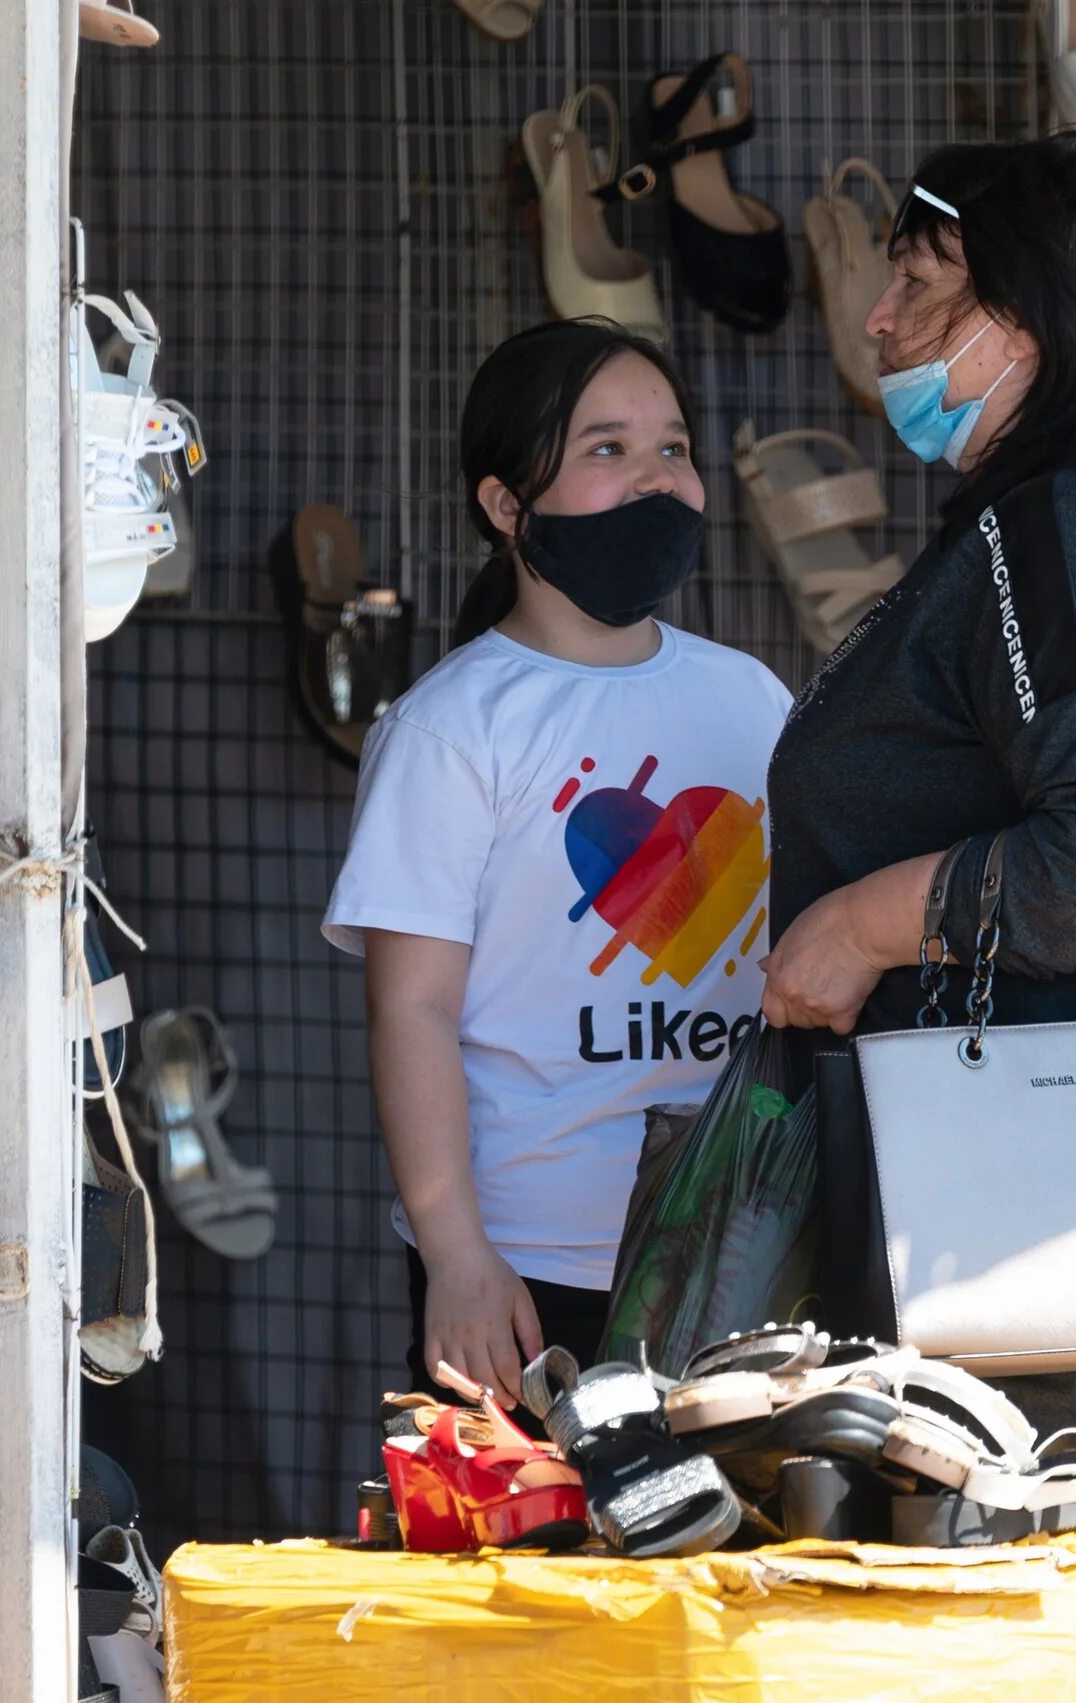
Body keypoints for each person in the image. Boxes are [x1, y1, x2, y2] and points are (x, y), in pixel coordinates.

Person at [758, 132, 1076, 1702]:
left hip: (1011, 1205)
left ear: (1033, 317)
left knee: (981, 1631)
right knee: (1068, 1620)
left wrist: (856, 922)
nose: (885, 327)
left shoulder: (1067, 528)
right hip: (1047, 1196)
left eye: (921, 286)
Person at [322, 318, 791, 1404]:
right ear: (503, 504)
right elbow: (412, 1011)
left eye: (673, 448)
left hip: (743, 1236)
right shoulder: (451, 727)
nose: (654, 482)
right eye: (606, 449)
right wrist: (457, 1254)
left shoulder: (752, 697)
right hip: (529, 1270)